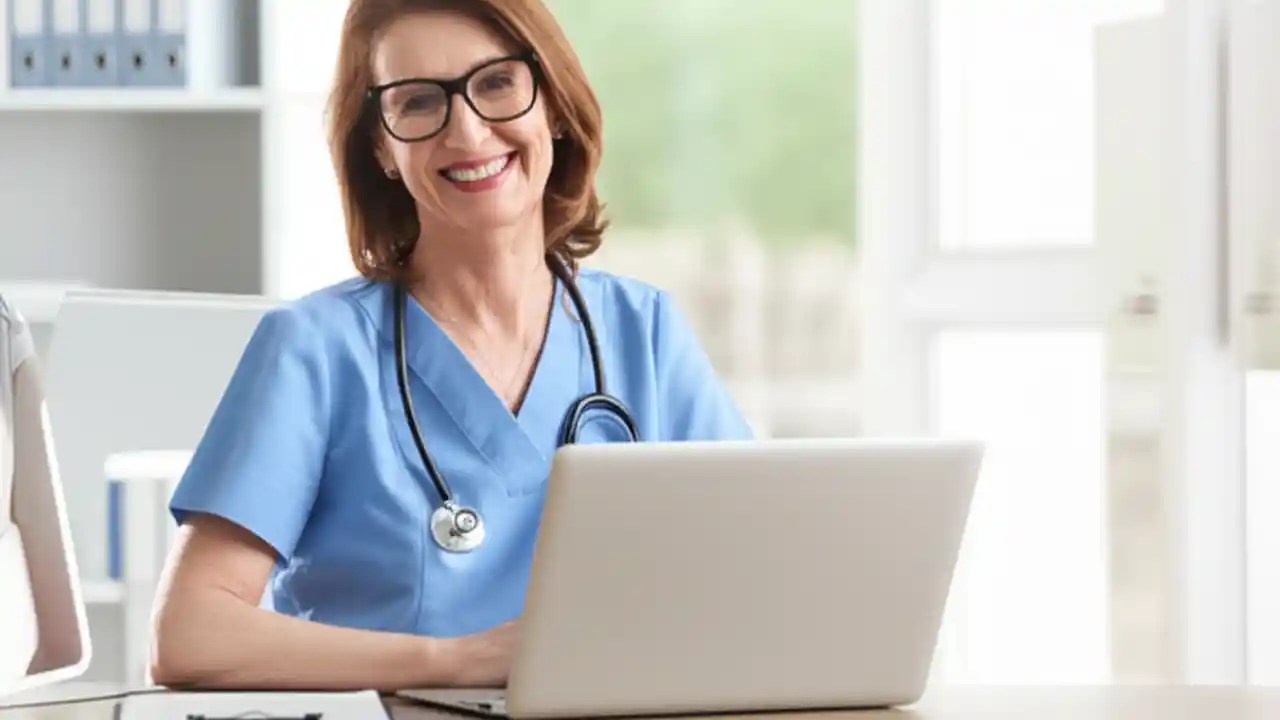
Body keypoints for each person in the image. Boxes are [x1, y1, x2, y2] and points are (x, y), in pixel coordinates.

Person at [149, 0, 751, 692]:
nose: (467, 131)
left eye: (496, 84)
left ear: (552, 103)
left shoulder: (644, 333)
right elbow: (192, 635)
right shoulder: (315, 350)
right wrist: (453, 662)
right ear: (381, 147)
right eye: (417, 102)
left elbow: (757, 567)